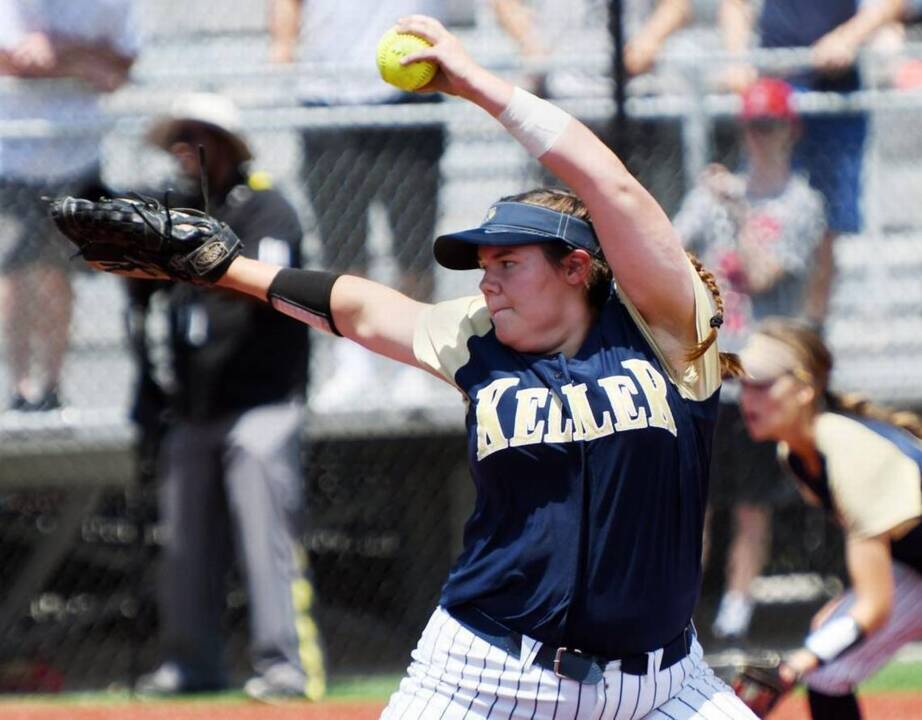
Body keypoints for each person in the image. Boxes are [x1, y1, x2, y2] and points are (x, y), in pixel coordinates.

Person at [71, 15, 763, 718]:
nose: (487, 281)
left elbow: (613, 188)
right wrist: (221, 267)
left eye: (509, 263)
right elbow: (364, 310)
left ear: (577, 267)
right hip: (484, 676)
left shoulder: (666, 328)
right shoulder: (477, 336)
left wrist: (478, 86)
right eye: (483, 264)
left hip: (663, 688)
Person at [129, 93, 326, 701]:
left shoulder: (266, 206)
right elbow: (141, 295)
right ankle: (191, 666)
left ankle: (284, 667)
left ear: (226, 146)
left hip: (262, 402)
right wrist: (131, 258)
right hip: (193, 406)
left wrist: (181, 259)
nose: (181, 150)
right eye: (177, 139)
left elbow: (267, 287)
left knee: (267, 542)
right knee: (184, 547)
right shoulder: (177, 212)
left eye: (194, 137)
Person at [673, 77, 826, 642]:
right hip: (709, 369)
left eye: (769, 126)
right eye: (752, 127)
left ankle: (735, 617)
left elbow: (763, 274)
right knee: (695, 501)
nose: (759, 137)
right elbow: (668, 247)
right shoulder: (714, 193)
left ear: (790, 131)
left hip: (761, 374)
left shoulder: (802, 204)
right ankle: (678, 613)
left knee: (752, 503)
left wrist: (736, 209)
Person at [736, 318, 922, 720]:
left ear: (804, 389)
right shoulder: (796, 454)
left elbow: (875, 606)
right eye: (745, 384)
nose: (748, 397)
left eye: (763, 385)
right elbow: (881, 550)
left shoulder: (848, 452)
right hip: (914, 570)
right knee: (828, 666)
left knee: (820, 658)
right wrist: (840, 615)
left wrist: (795, 664)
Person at [268, 0, 448, 411]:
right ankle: (353, 359)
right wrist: (283, 44)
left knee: (413, 243)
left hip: (406, 93)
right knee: (342, 243)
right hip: (326, 96)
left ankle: (415, 358)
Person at [719, 0, 905, 327]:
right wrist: (737, 58)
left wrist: (847, 38)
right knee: (760, 213)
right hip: (775, 86)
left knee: (828, 227)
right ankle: (758, 331)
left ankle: (810, 336)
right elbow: (734, 5)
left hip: (834, 93)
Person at [0, 0, 138, 411]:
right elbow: (12, 59)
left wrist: (59, 51)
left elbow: (123, 64)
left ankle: (50, 390)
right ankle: (20, 388)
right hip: (13, 156)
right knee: (14, 274)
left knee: (57, 274)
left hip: (76, 157)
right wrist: (83, 62)